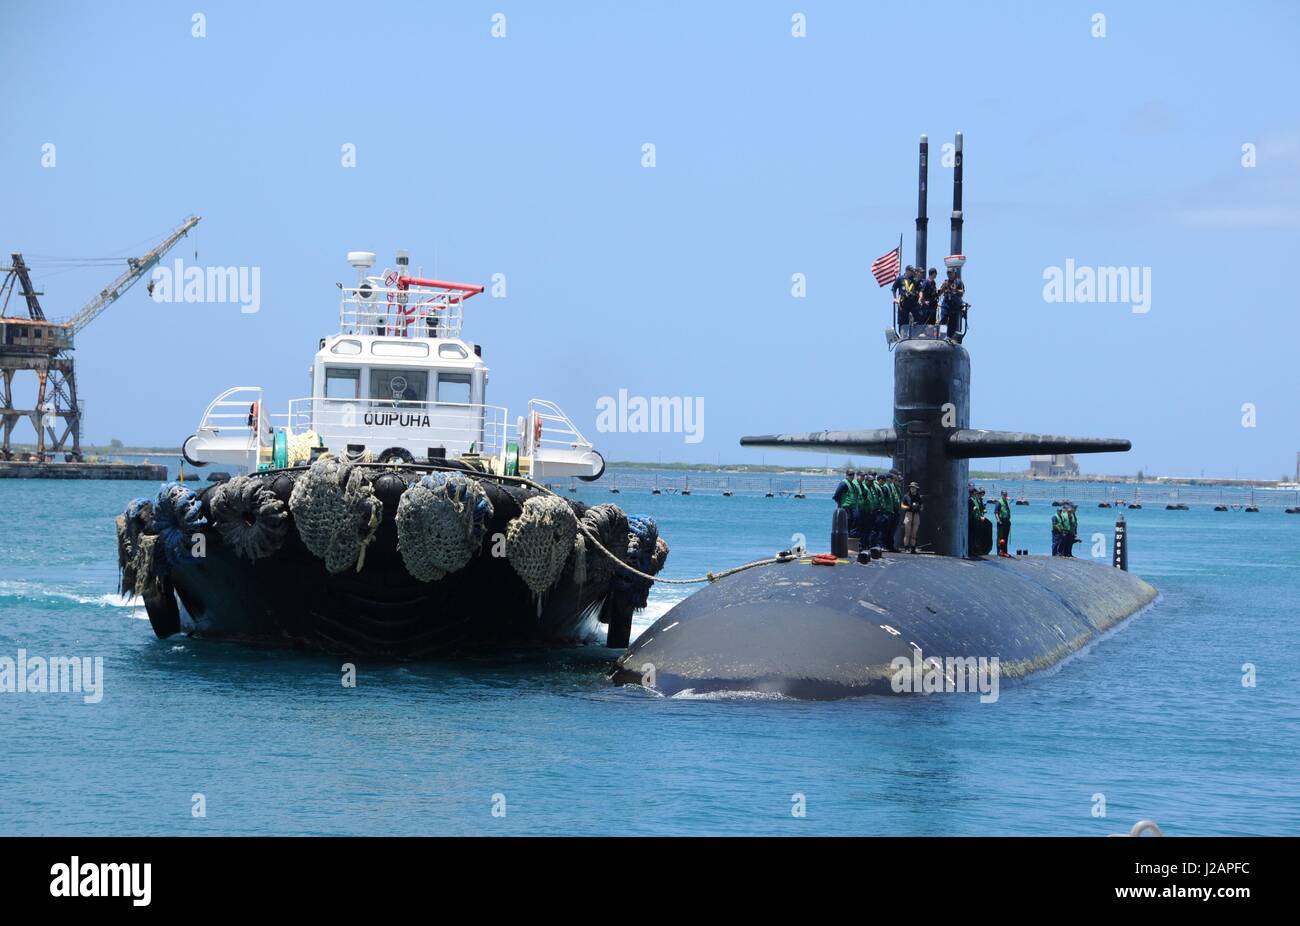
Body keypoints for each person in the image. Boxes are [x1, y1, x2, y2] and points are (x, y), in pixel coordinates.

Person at [938, 268, 965, 340]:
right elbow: (939, 293)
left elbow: (961, 292)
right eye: (948, 273)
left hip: (955, 305)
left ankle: (949, 337)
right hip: (946, 304)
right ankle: (941, 335)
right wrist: (941, 288)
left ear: (954, 273)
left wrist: (955, 290)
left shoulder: (958, 282)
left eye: (950, 273)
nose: (949, 275)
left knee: (953, 323)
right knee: (943, 319)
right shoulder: (945, 282)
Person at [833, 468, 859, 537]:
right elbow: (836, 495)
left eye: (853, 474)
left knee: (854, 520)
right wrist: (839, 504)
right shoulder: (844, 483)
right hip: (845, 506)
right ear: (846, 475)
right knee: (847, 521)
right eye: (850, 474)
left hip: (852, 507)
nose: (852, 476)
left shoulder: (852, 484)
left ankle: (850, 536)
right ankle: (845, 537)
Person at [901, 480, 924, 552]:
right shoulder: (906, 496)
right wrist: (908, 507)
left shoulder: (919, 497)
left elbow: (922, 506)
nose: (912, 489)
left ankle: (913, 548)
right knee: (907, 532)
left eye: (914, 488)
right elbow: (902, 505)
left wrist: (919, 508)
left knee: (914, 532)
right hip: (908, 514)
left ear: (916, 489)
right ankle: (906, 547)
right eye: (911, 487)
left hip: (916, 515)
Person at [995, 489, 1013, 558]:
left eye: (1006, 494)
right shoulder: (999, 502)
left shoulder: (1006, 502)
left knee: (1005, 537)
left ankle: (1004, 551)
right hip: (1001, 521)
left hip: (1007, 522)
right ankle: (999, 551)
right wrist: (998, 520)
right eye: (1004, 494)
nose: (1005, 496)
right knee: (1000, 537)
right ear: (1001, 495)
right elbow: (996, 512)